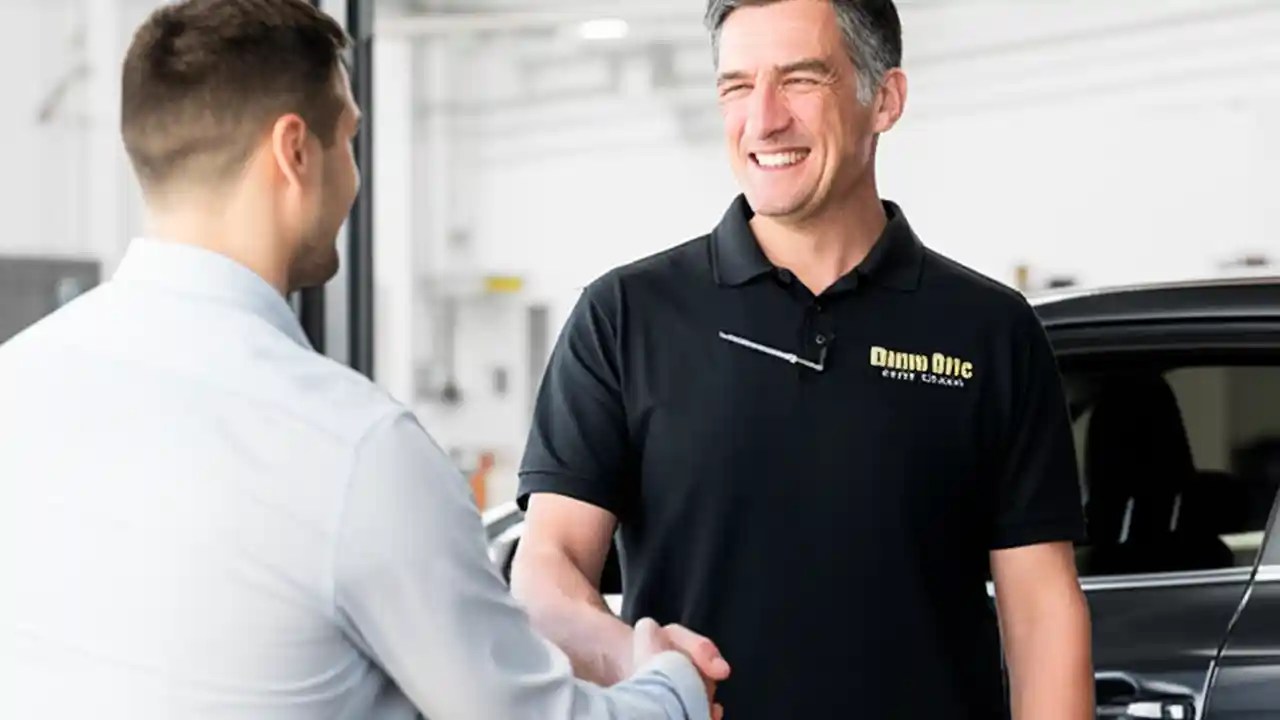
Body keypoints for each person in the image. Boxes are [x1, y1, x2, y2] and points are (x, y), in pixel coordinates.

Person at [0, 1, 721, 718]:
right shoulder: (354, 450)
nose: (353, 176)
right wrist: (673, 683)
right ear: (295, 152)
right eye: (348, 138)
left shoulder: (16, 384)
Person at [511, 0, 1094, 718]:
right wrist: (634, 657)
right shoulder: (624, 316)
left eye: (800, 80)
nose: (763, 120)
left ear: (885, 99)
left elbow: (1041, 614)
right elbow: (547, 571)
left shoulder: (991, 331)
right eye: (737, 86)